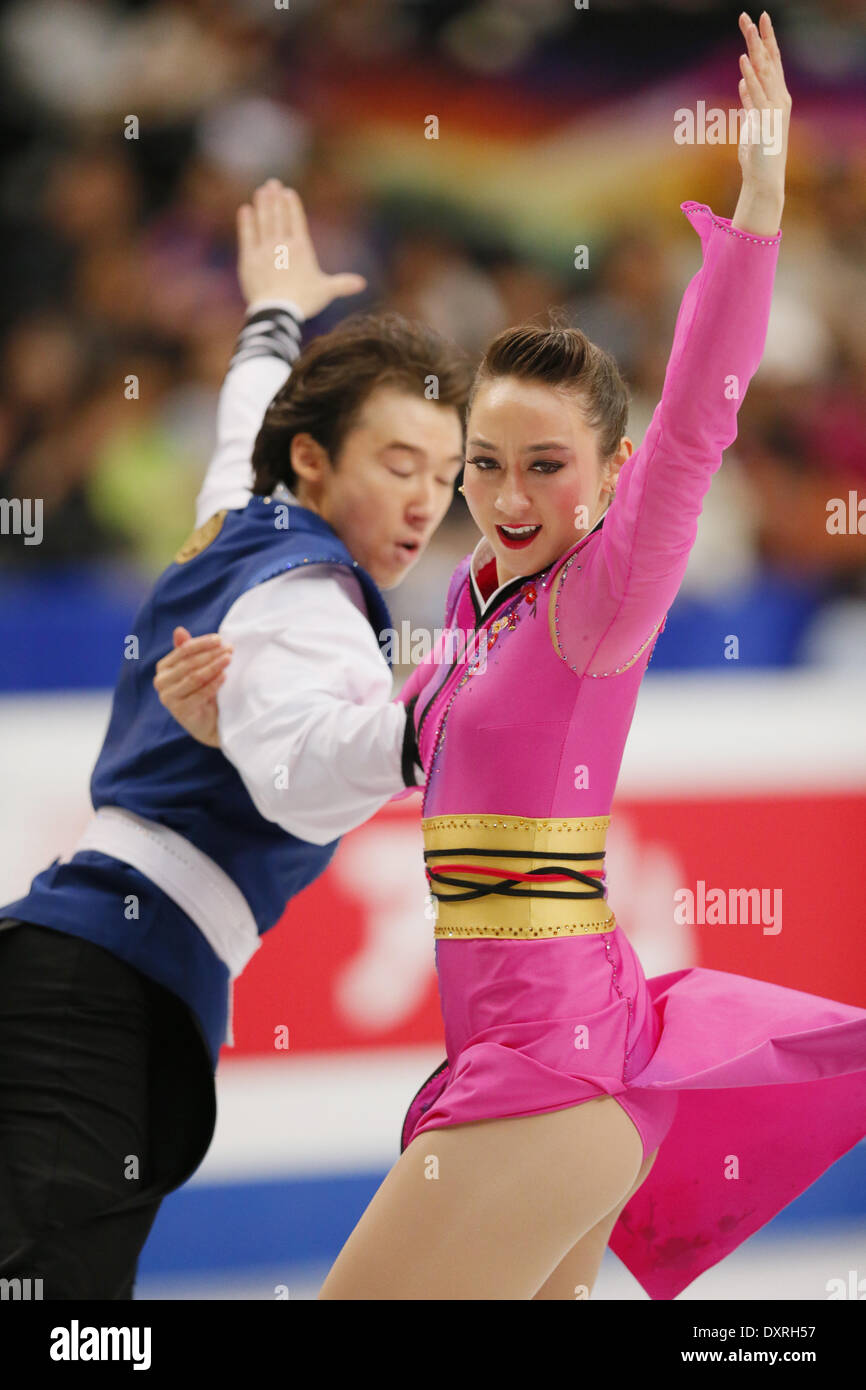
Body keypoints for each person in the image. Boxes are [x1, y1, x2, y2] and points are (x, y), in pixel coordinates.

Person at [158, 13, 866, 1301]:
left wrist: (755, 211)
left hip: (552, 1072)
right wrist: (219, 725)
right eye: (484, 463)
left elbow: (698, 422)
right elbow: (351, 753)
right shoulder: (464, 634)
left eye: (547, 466)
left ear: (602, 481)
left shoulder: (598, 602)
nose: (509, 493)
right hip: (533, 1073)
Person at [0, 179, 472, 1299]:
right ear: (313, 459)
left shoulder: (241, 510)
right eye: (398, 464)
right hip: (103, 993)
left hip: (74, 967)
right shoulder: (311, 599)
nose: (424, 503)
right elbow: (303, 766)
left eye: (445, 477)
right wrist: (435, 726)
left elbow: (244, 412)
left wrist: (272, 311)